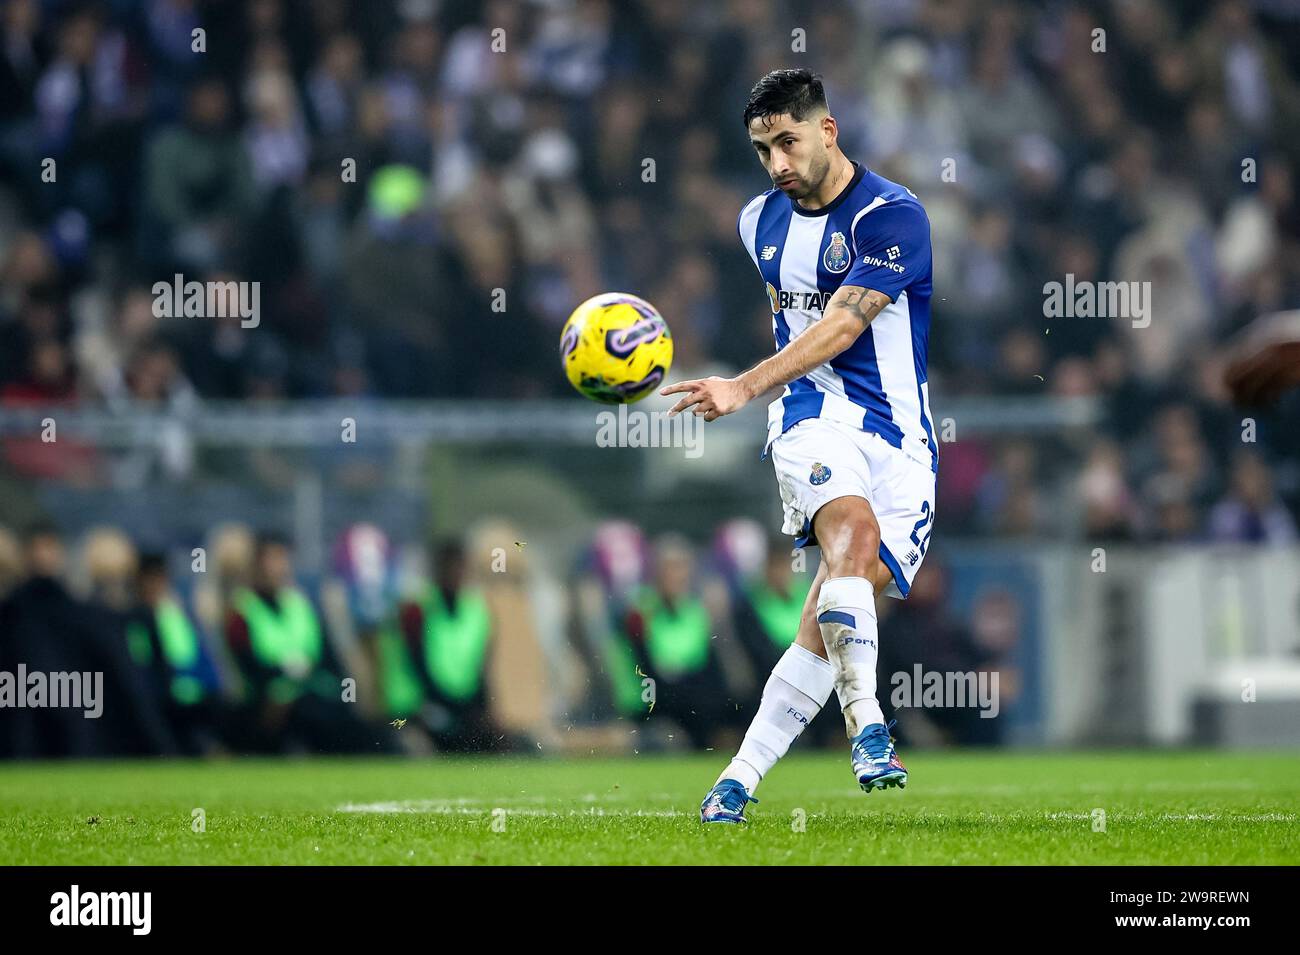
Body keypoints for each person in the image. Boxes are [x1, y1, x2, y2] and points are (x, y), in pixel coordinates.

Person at [662, 70, 937, 823]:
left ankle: (735, 783)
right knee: (852, 535)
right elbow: (811, 336)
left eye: (788, 142)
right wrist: (757, 392)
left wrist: (739, 384)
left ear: (828, 130)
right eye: (762, 149)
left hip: (904, 441)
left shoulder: (894, 216)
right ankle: (870, 726)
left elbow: (846, 323)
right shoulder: (759, 222)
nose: (777, 163)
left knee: (827, 614)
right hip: (812, 417)